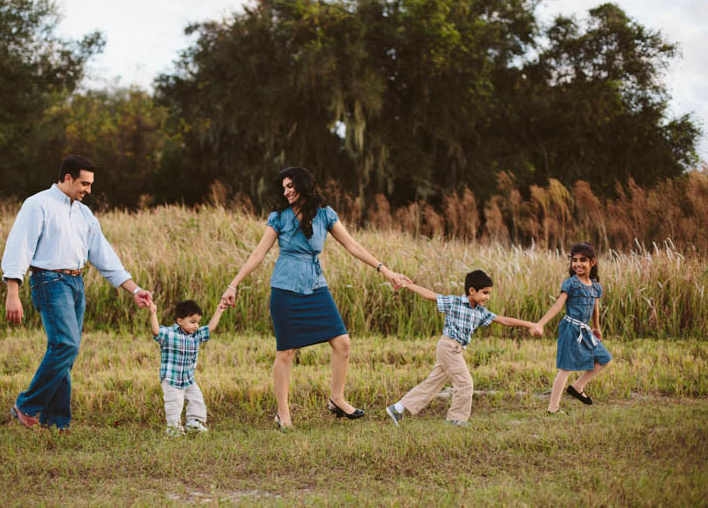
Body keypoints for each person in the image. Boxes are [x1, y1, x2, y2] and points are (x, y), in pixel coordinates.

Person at [220, 167, 410, 431]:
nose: (285, 191)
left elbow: (352, 245)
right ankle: (283, 414)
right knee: (286, 351)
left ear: (304, 185)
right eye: (283, 187)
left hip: (316, 287)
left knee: (342, 342)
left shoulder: (325, 215)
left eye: (290, 186)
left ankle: (337, 399)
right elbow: (257, 254)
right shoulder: (279, 217)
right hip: (285, 289)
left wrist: (385, 270)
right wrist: (233, 284)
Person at [1, 154, 152, 431]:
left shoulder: (84, 214)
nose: (88, 190)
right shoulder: (38, 204)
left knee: (65, 351)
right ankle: (26, 405)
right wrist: (13, 291)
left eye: (91, 184)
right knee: (66, 345)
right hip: (48, 281)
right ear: (67, 178)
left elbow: (103, 254)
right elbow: (18, 247)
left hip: (75, 284)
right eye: (84, 183)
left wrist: (134, 289)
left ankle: (57, 421)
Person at [386, 270, 542, 427]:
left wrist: (530, 324)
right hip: (448, 346)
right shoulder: (454, 302)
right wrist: (409, 285)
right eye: (485, 293)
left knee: (432, 383)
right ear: (472, 291)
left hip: (455, 348)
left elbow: (504, 320)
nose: (487, 297)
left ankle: (398, 408)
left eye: (489, 293)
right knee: (465, 383)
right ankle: (457, 419)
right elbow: (430, 295)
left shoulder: (481, 312)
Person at [536, 242, 612, 414]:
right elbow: (558, 305)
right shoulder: (570, 284)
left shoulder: (595, 286)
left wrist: (596, 327)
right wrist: (540, 323)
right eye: (574, 260)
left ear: (592, 262)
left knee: (605, 358)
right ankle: (552, 409)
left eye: (582, 260)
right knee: (566, 369)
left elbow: (595, 308)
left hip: (585, 330)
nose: (578, 264)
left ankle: (578, 386)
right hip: (571, 329)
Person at [148, 299, 226, 436]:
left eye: (198, 322)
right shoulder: (169, 334)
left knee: (197, 399)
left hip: (188, 378)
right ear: (180, 321)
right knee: (174, 403)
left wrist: (219, 310)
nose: (196, 326)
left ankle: (194, 423)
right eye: (192, 322)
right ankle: (174, 429)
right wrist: (153, 313)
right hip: (171, 379)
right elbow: (156, 331)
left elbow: (210, 327)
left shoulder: (195, 335)